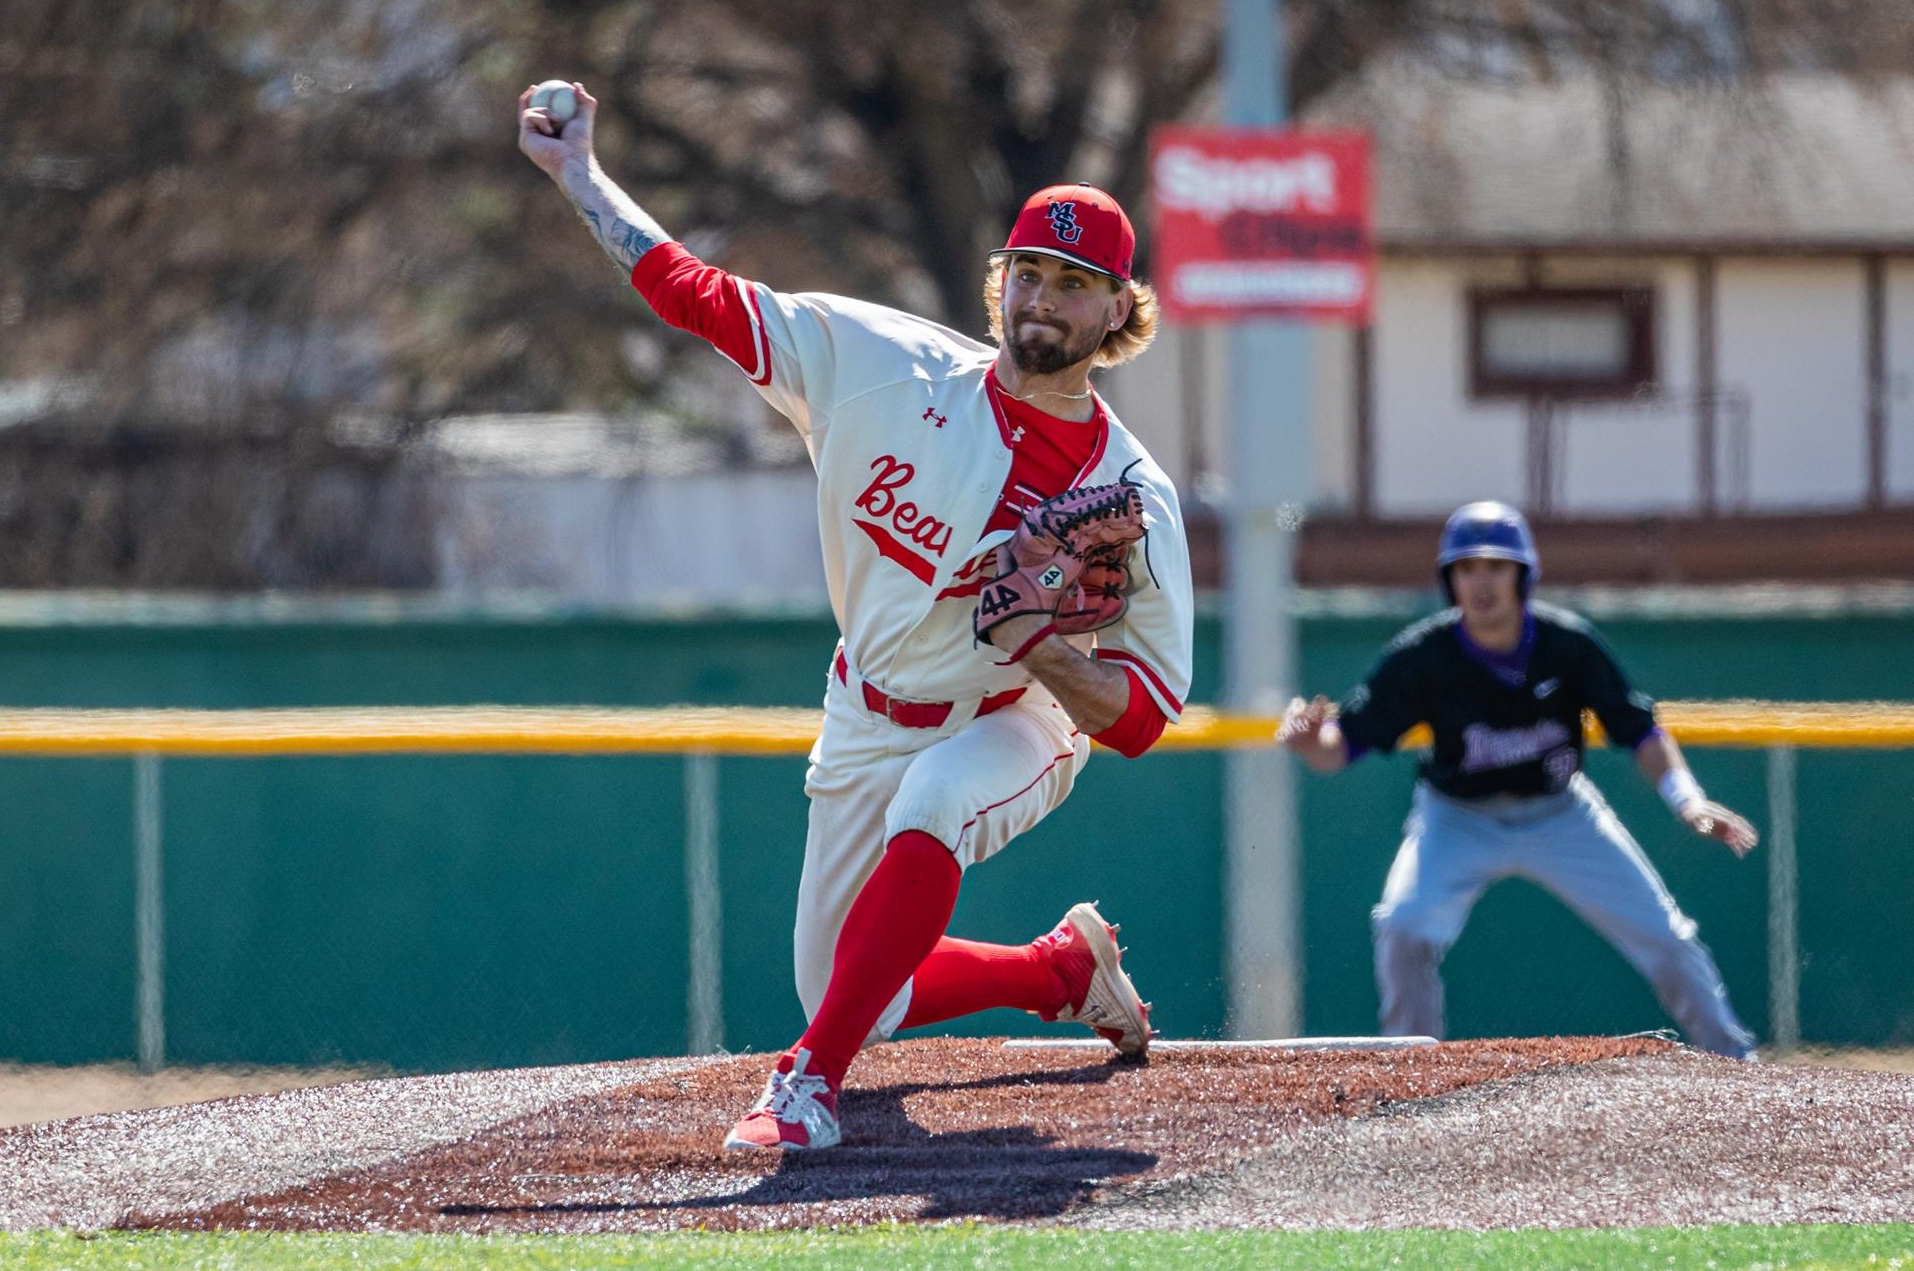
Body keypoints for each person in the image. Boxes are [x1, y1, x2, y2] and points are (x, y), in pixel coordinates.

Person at [519, 81, 1195, 1149]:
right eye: (1029, 271)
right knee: (858, 987)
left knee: (931, 806)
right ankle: (1057, 970)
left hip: (1013, 711)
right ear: (997, 280)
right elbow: (693, 291)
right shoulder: (883, 368)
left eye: (1077, 282)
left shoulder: (1131, 492)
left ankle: (802, 1087)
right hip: (864, 707)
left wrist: (1043, 646)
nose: (1044, 299)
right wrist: (579, 175)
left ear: (1119, 310)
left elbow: (1144, 715)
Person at [1278, 501, 1758, 1059]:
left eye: (1496, 566)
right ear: (1450, 580)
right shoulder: (1424, 656)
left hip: (1560, 812)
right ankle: (1407, 1074)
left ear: (1522, 576)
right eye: (1467, 568)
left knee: (1668, 939)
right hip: (1456, 817)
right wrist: (1312, 744)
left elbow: (1639, 731)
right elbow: (1343, 748)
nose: (1481, 582)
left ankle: (1736, 1062)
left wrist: (1688, 799)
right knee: (1404, 927)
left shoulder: (1567, 646)